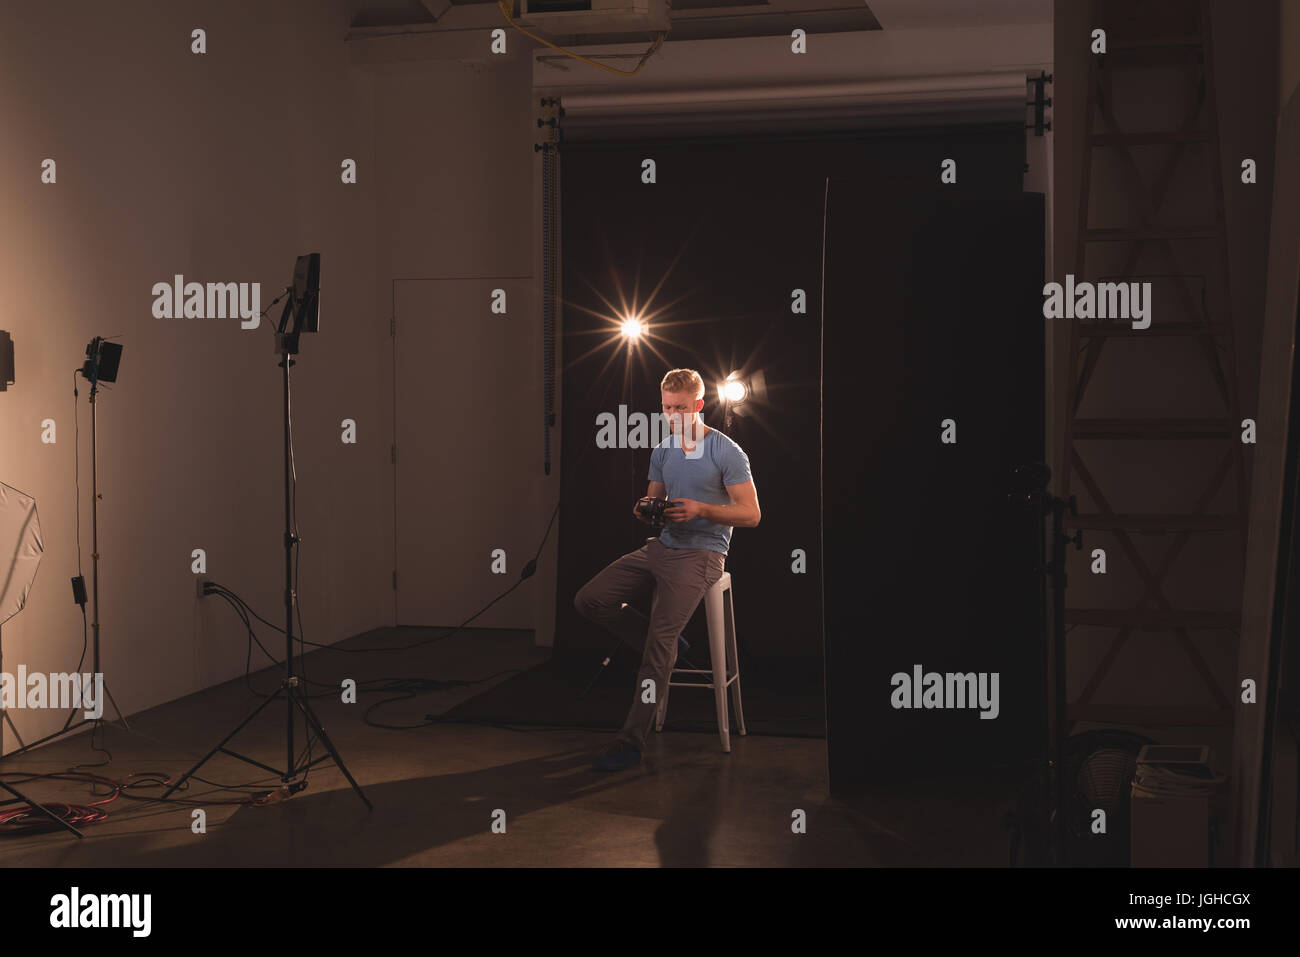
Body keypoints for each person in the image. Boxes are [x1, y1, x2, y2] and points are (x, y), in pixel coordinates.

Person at [574, 368, 760, 771]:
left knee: (658, 649)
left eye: (679, 408)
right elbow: (652, 503)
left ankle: (630, 743)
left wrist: (702, 509)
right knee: (590, 600)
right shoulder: (663, 449)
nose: (672, 415)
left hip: (703, 555)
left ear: (697, 405)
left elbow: (752, 514)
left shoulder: (726, 451)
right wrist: (646, 509)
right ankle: (666, 645)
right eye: (665, 408)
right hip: (663, 546)